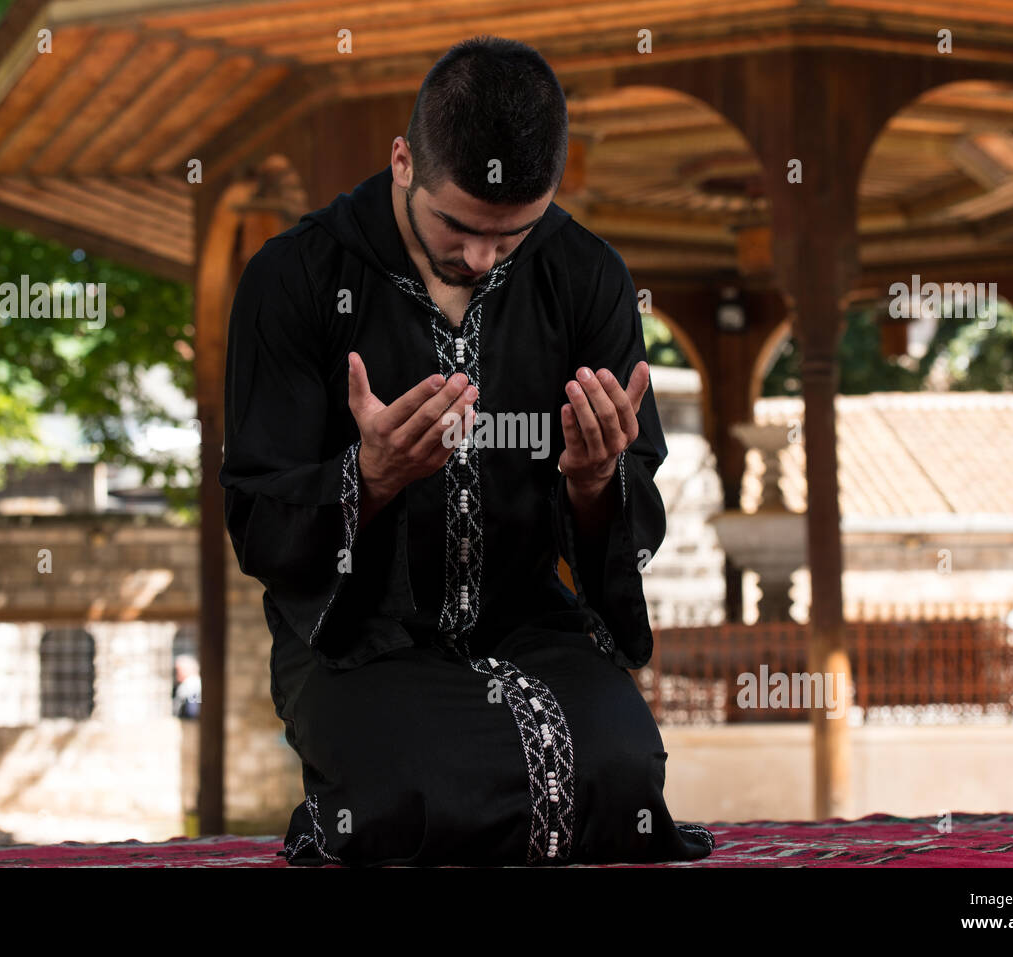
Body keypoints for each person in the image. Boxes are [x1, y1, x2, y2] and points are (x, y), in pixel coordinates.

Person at [219, 34, 715, 866]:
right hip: (361, 636)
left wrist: (594, 483)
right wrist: (366, 479)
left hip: (531, 624)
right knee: (408, 794)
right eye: (461, 227)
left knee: (622, 779)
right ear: (403, 160)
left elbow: (628, 512)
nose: (483, 258)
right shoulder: (294, 278)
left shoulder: (586, 275)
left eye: (513, 234)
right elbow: (257, 512)